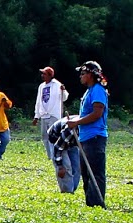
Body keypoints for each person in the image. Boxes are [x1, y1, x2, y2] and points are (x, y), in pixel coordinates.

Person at [67, 60, 109, 208]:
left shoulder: (97, 90)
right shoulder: (89, 91)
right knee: (85, 173)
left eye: (83, 73)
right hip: (85, 137)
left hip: (95, 137)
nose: (81, 76)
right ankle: (90, 204)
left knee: (95, 173)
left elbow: (97, 113)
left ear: (91, 74)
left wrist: (77, 123)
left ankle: (97, 204)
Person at [32, 66, 69, 154]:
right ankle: (50, 155)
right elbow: (38, 101)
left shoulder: (57, 84)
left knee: (53, 136)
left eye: (44, 74)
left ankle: (55, 153)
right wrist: (36, 116)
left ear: (50, 75)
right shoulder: (41, 86)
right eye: (42, 73)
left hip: (53, 114)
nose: (42, 75)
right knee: (44, 136)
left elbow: (64, 98)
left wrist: (63, 91)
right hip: (44, 115)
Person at [45, 117, 81, 193]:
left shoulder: (89, 132)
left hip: (72, 142)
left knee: (77, 166)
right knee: (66, 167)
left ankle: (72, 189)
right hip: (56, 138)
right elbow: (58, 148)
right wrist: (60, 166)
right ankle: (67, 192)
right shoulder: (70, 130)